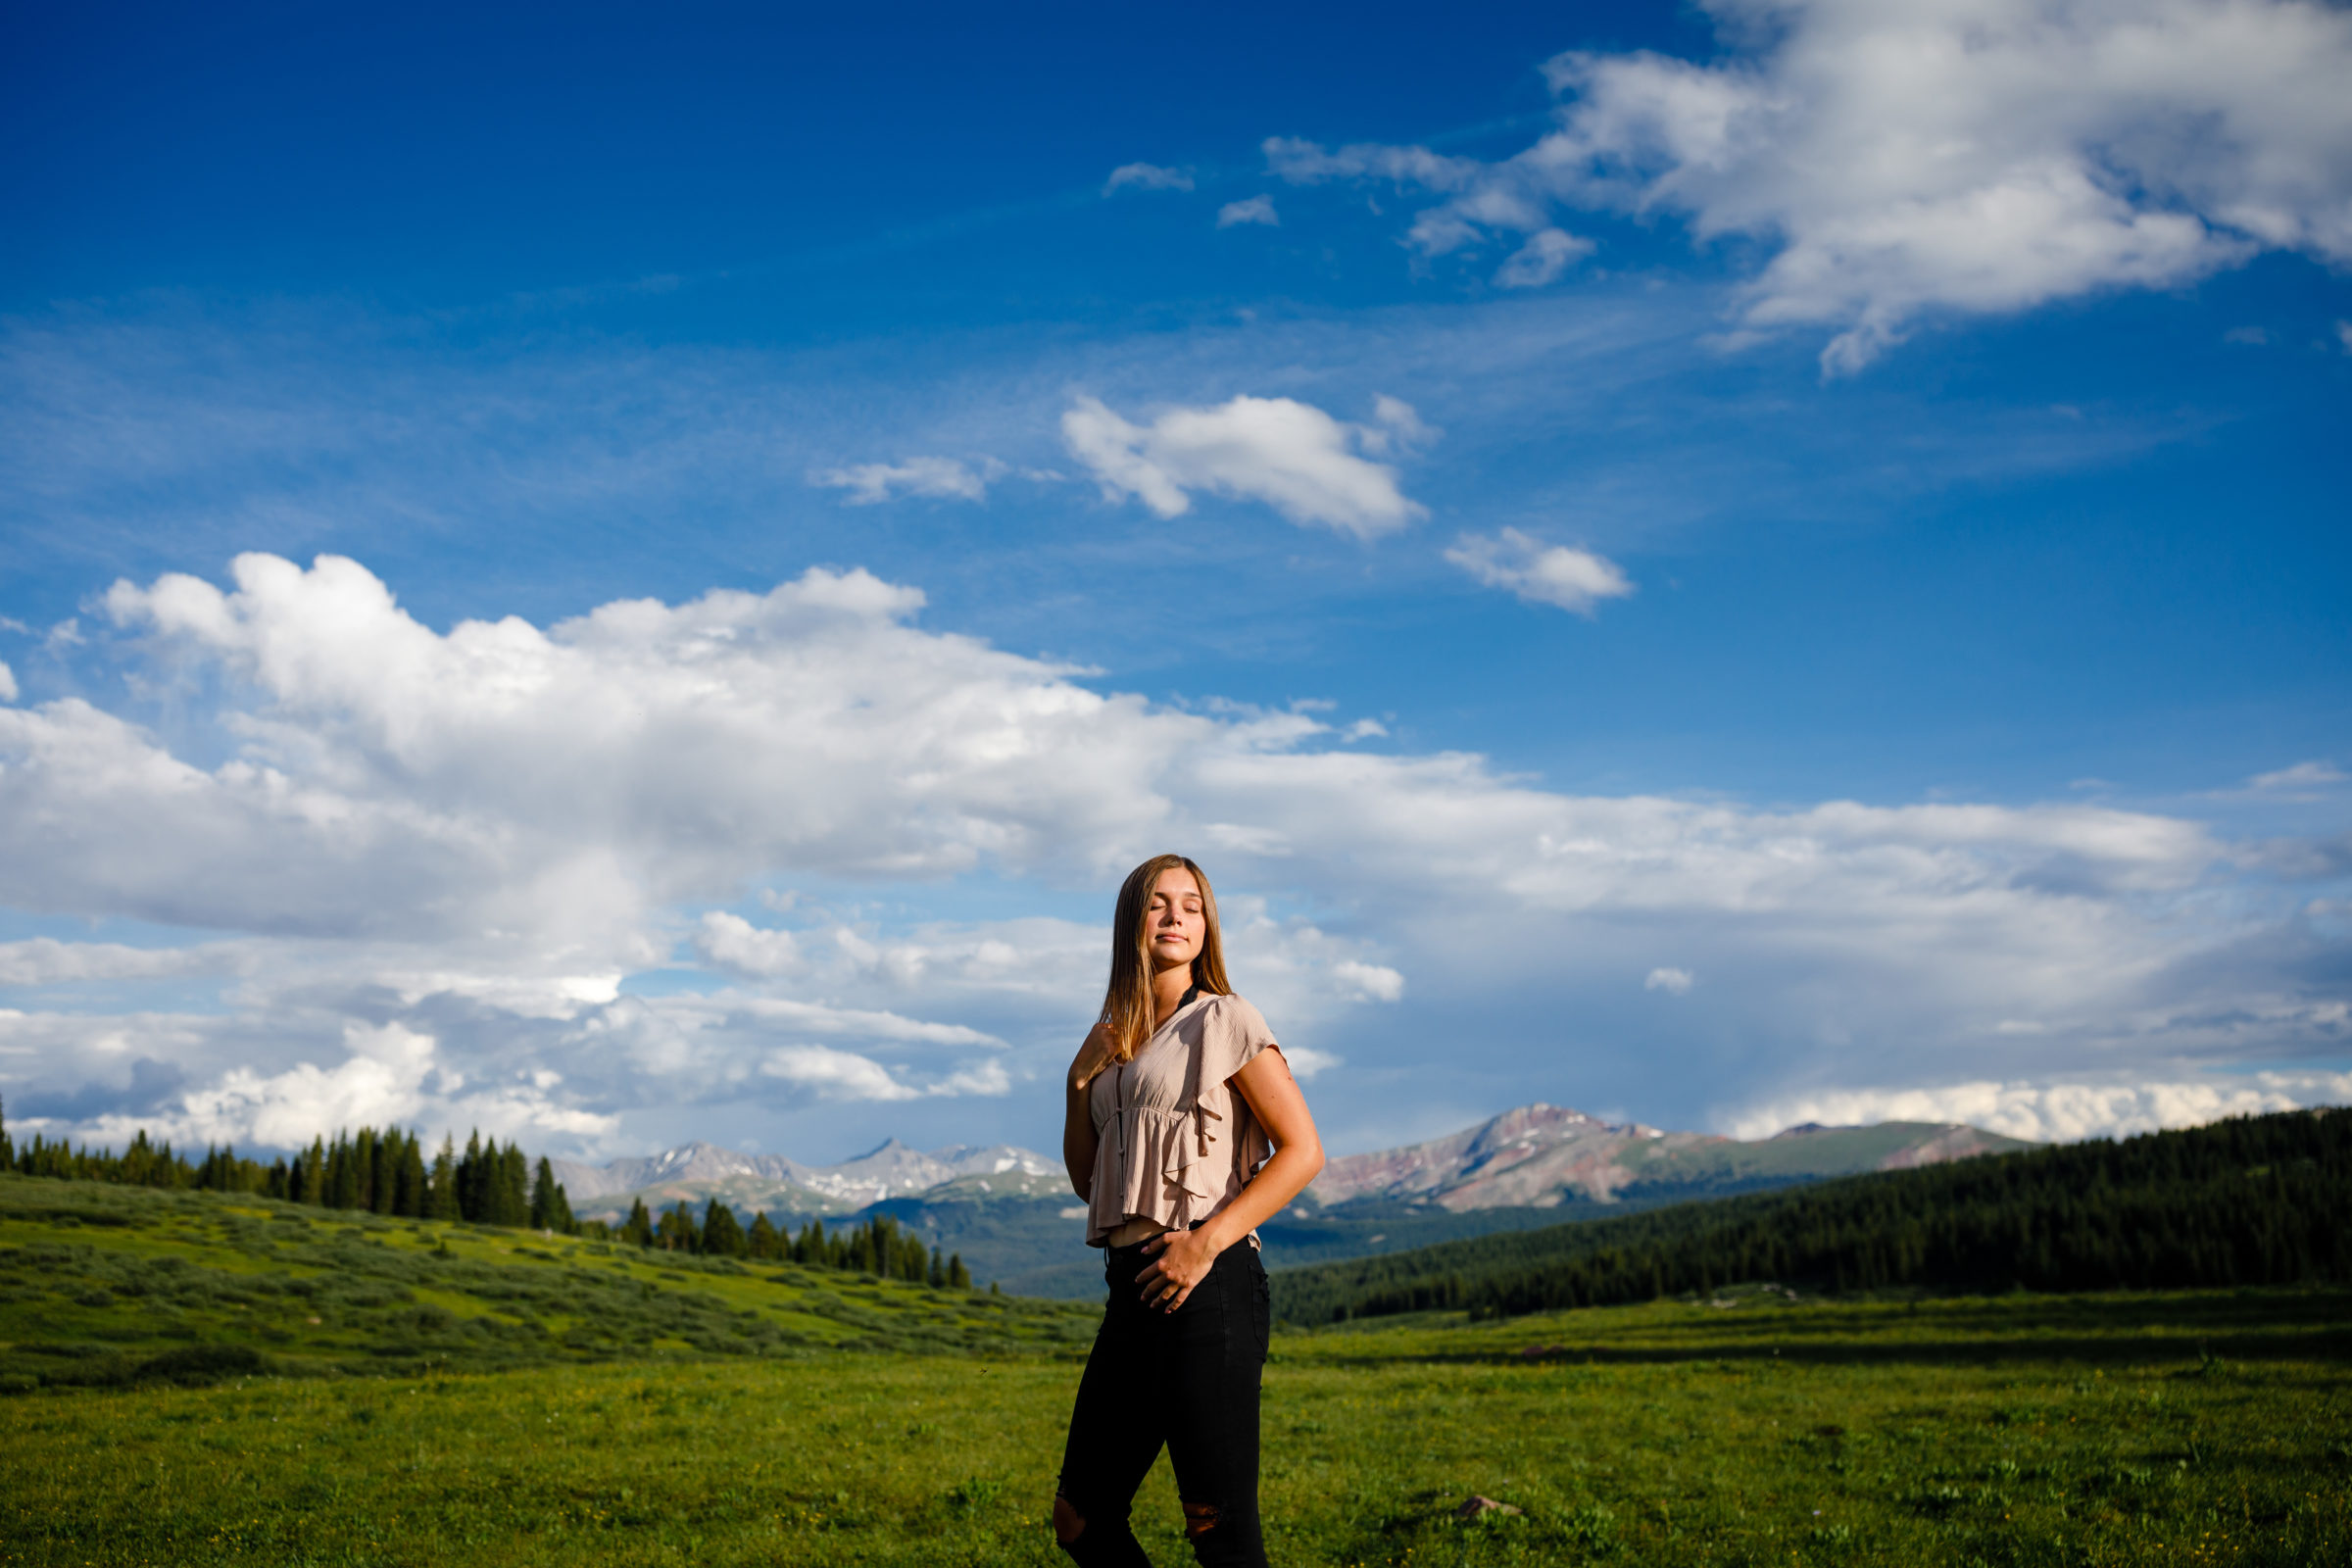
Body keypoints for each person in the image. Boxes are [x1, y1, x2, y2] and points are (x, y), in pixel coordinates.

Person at [1053, 853, 1326, 1567]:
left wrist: (1203, 1245)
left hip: (1210, 1285)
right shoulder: (1113, 1040)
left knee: (1218, 1526)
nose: (1176, 916)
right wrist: (1080, 1080)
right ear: (1130, 923)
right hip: (1130, 1287)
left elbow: (1302, 1152)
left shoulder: (1226, 1020)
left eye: (1192, 905)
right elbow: (1089, 1182)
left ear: (1207, 928)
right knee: (1080, 1518)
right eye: (1158, 903)